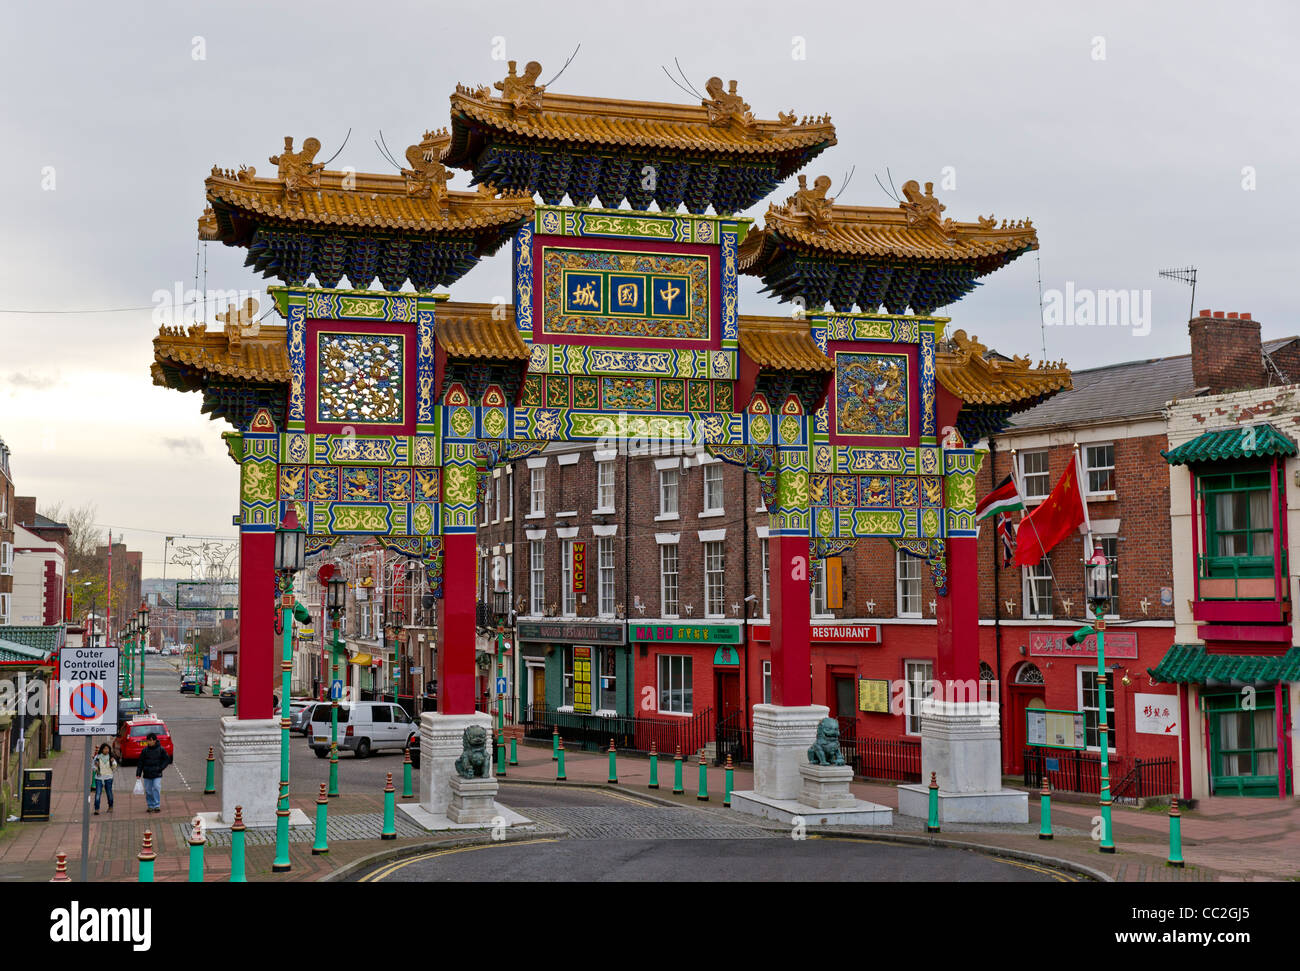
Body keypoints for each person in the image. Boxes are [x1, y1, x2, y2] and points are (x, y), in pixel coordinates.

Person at [135, 733, 172, 814]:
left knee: (156, 787)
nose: (149, 742)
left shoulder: (161, 749)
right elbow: (140, 762)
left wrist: (160, 768)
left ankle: (156, 805)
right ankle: (150, 805)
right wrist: (138, 773)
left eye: (151, 740)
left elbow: (167, 759)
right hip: (147, 773)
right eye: (148, 740)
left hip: (157, 773)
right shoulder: (145, 750)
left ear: (155, 740)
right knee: (148, 790)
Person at [92, 743, 118, 815]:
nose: (106, 750)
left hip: (108, 777)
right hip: (99, 778)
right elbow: (93, 768)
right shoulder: (97, 757)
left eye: (107, 749)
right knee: (98, 793)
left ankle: (110, 806)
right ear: (102, 749)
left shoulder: (111, 757)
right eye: (104, 749)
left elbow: (114, 768)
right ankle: (97, 809)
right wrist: (96, 766)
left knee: (109, 792)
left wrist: (113, 763)